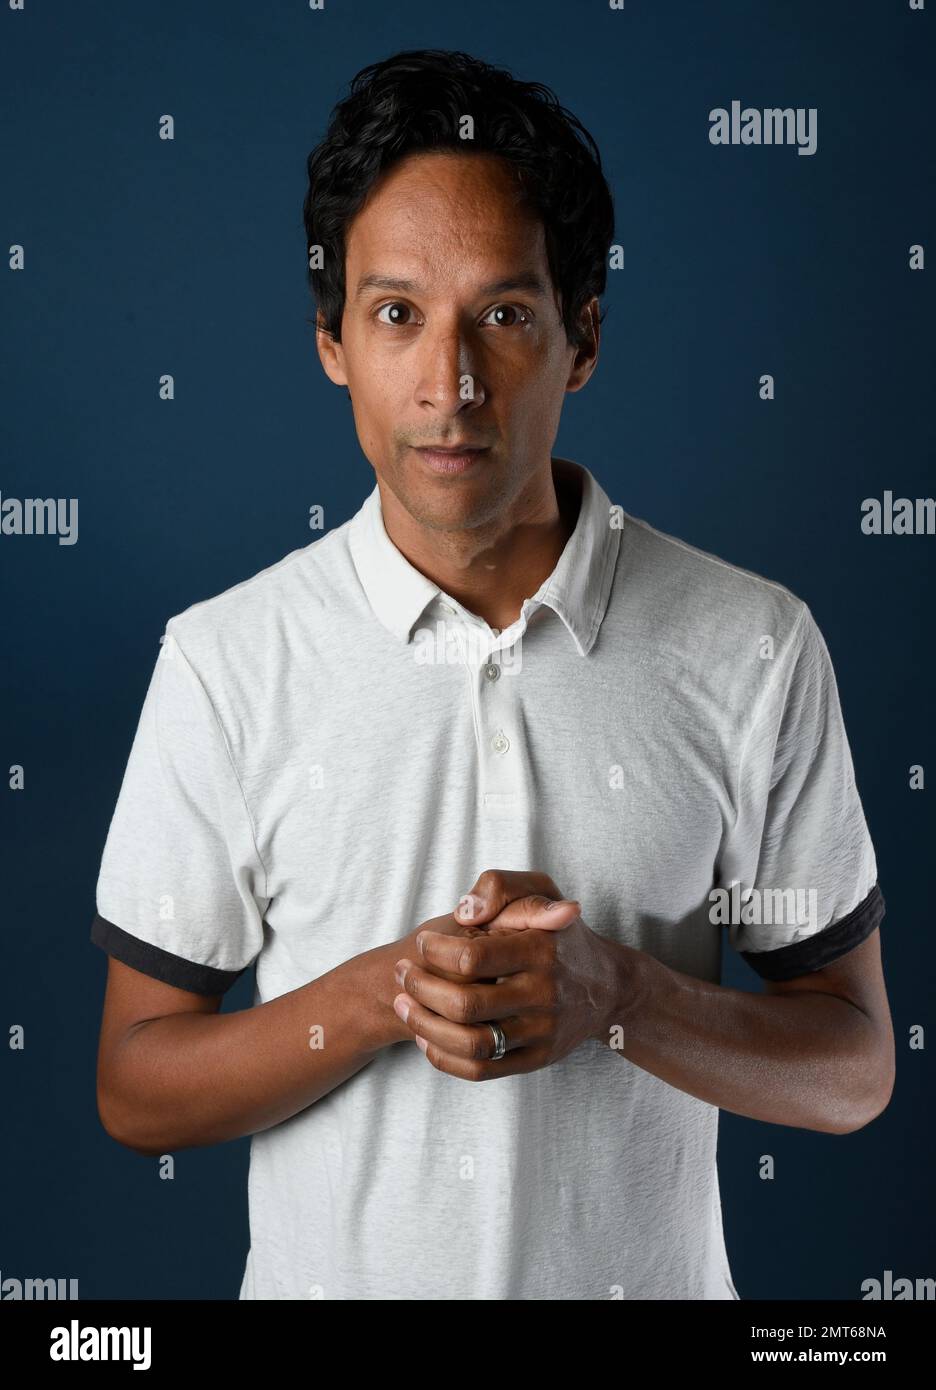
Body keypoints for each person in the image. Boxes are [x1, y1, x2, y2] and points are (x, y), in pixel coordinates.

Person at [90, 48, 894, 1300]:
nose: (450, 385)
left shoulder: (756, 644)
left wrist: (618, 995)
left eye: (504, 317)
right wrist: (377, 998)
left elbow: (854, 1067)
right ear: (331, 343)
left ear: (581, 339)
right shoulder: (223, 661)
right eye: (398, 314)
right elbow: (135, 1083)